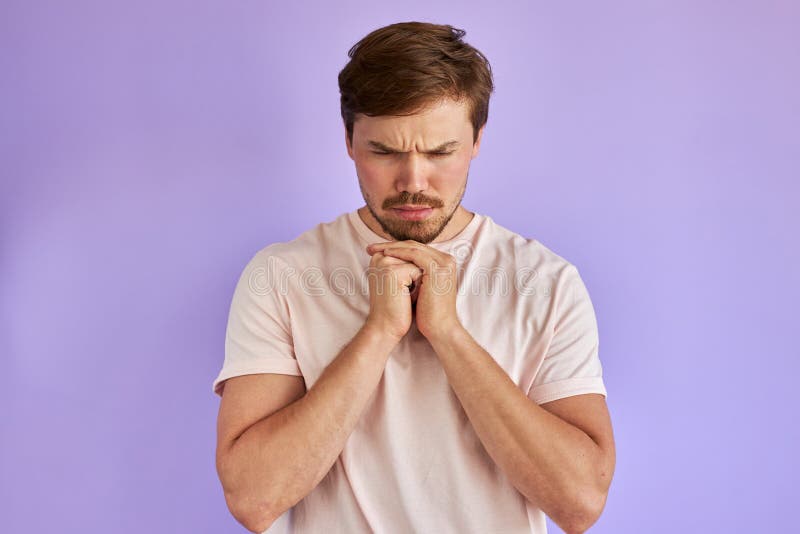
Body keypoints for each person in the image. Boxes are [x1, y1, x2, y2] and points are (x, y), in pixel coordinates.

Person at [212, 21, 615, 534]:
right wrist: (378, 332)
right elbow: (253, 497)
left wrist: (447, 333)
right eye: (384, 151)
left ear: (476, 141)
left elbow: (580, 503)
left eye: (439, 152)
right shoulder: (281, 275)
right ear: (349, 142)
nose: (413, 181)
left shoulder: (545, 281)